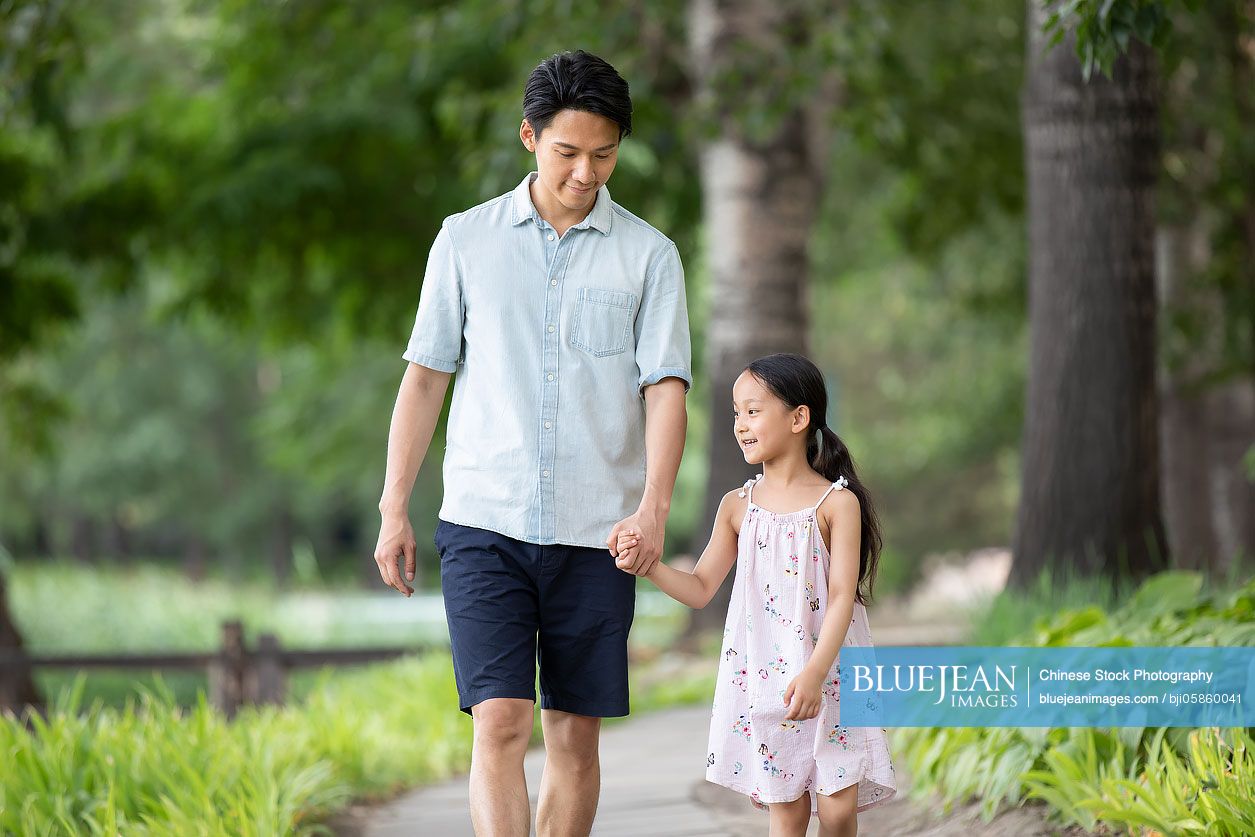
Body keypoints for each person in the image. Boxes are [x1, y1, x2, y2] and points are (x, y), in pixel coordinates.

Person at [372, 49, 691, 837]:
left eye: (604, 153)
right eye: (568, 152)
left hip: (600, 531)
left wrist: (653, 511)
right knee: (501, 719)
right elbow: (424, 379)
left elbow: (666, 390)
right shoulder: (464, 241)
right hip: (486, 519)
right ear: (528, 137)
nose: (587, 172)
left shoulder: (648, 255)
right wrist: (393, 508)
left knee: (573, 735)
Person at [616, 353, 896, 836]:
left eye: (752, 410)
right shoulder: (737, 507)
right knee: (785, 814)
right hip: (766, 677)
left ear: (798, 417)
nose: (740, 424)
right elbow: (702, 587)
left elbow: (840, 599)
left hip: (831, 673)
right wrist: (651, 566)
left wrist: (814, 672)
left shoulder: (837, 504)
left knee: (836, 811)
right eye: (735, 413)